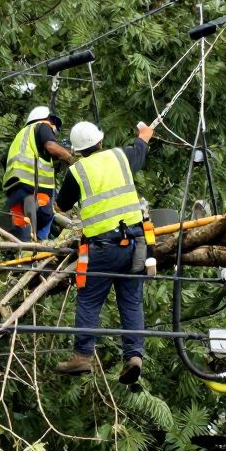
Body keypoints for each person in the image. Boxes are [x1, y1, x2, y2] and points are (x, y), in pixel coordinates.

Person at [53, 119, 154, 385]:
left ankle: (82, 357)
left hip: (102, 248)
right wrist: (144, 134)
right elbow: (139, 150)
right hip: (135, 245)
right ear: (100, 140)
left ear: (76, 150)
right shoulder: (120, 156)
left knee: (89, 300)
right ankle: (134, 356)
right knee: (131, 301)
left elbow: (61, 207)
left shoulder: (76, 171)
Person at [3, 106, 75, 241]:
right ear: (48, 119)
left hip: (14, 190)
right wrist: (71, 159)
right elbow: (51, 147)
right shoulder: (43, 126)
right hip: (33, 186)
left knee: (21, 225)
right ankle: (41, 245)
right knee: (47, 215)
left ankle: (24, 253)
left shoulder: (20, 137)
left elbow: (4, 160)